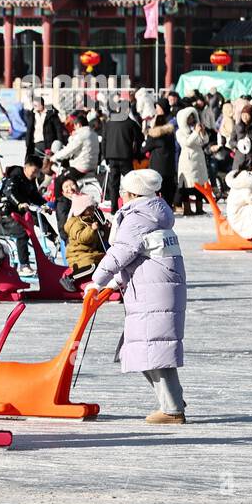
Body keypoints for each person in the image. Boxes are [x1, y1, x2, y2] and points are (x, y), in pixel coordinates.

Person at [91, 169, 187, 424]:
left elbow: (121, 252)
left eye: (124, 191)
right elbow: (140, 256)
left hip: (152, 293)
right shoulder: (155, 213)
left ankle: (173, 408)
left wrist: (96, 281)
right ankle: (173, 402)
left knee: (153, 349)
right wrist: (113, 283)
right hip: (154, 289)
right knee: (147, 349)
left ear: (133, 193)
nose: (121, 195)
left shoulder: (139, 217)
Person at [101, 104, 143, 212]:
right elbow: (139, 139)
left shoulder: (109, 123)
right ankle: (134, 204)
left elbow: (104, 141)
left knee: (114, 184)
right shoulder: (131, 123)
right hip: (126, 157)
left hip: (112, 157)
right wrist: (137, 155)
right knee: (132, 182)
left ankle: (114, 208)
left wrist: (105, 156)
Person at [60, 194, 108, 289]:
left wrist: (106, 229)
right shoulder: (76, 223)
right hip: (78, 255)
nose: (93, 210)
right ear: (81, 209)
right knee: (92, 267)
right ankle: (70, 278)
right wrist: (91, 229)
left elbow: (101, 237)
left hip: (91, 253)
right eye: (89, 208)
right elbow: (82, 238)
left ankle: (101, 284)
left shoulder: (91, 220)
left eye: (93, 207)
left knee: (104, 265)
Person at [175, 109, 209, 216]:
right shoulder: (180, 132)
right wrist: (195, 132)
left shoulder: (195, 129)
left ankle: (199, 207)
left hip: (199, 161)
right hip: (188, 162)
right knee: (186, 186)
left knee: (199, 185)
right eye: (189, 117)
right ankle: (187, 209)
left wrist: (202, 132)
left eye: (192, 117)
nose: (191, 119)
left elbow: (204, 141)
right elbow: (187, 143)